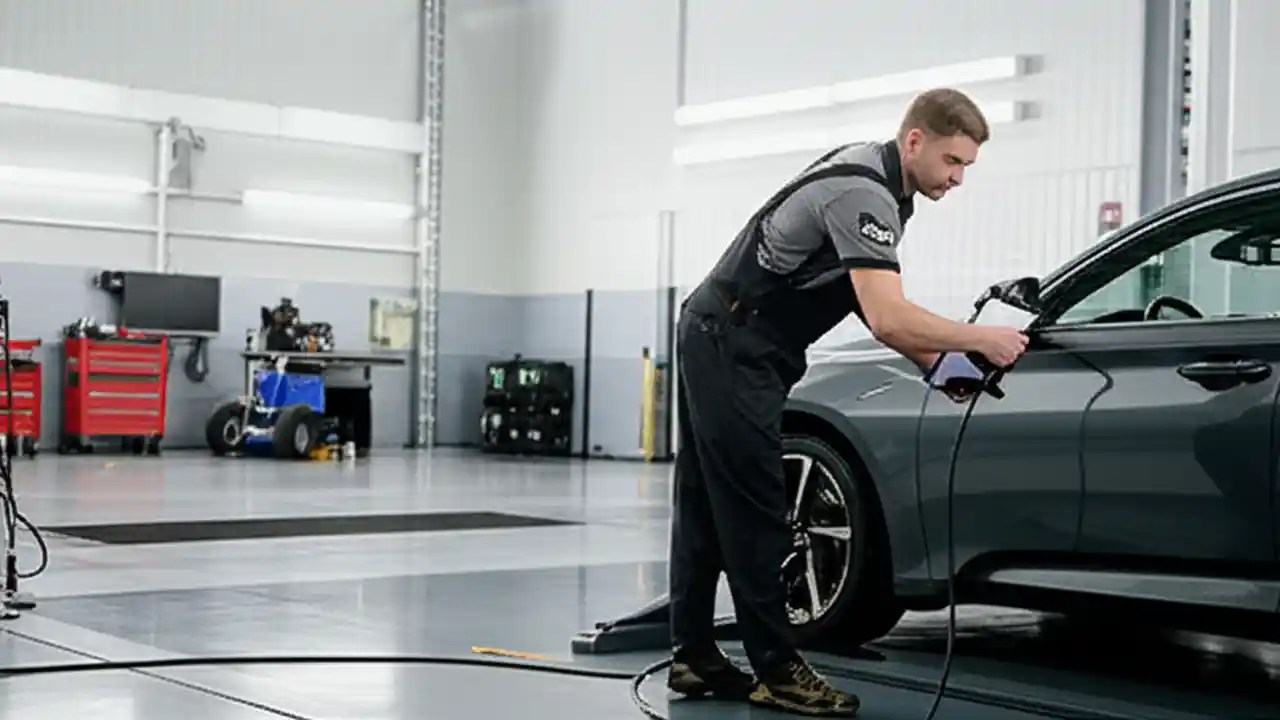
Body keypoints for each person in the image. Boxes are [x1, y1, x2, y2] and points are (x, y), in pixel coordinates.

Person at [665, 87, 1029, 716]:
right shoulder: (864, 193)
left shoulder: (883, 184)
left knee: (703, 503)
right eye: (952, 162)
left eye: (966, 166)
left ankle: (694, 655)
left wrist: (941, 368)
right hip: (734, 342)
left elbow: (863, 299)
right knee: (757, 508)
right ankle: (777, 671)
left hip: (721, 334)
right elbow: (889, 317)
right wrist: (983, 338)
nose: (958, 178)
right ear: (915, 141)